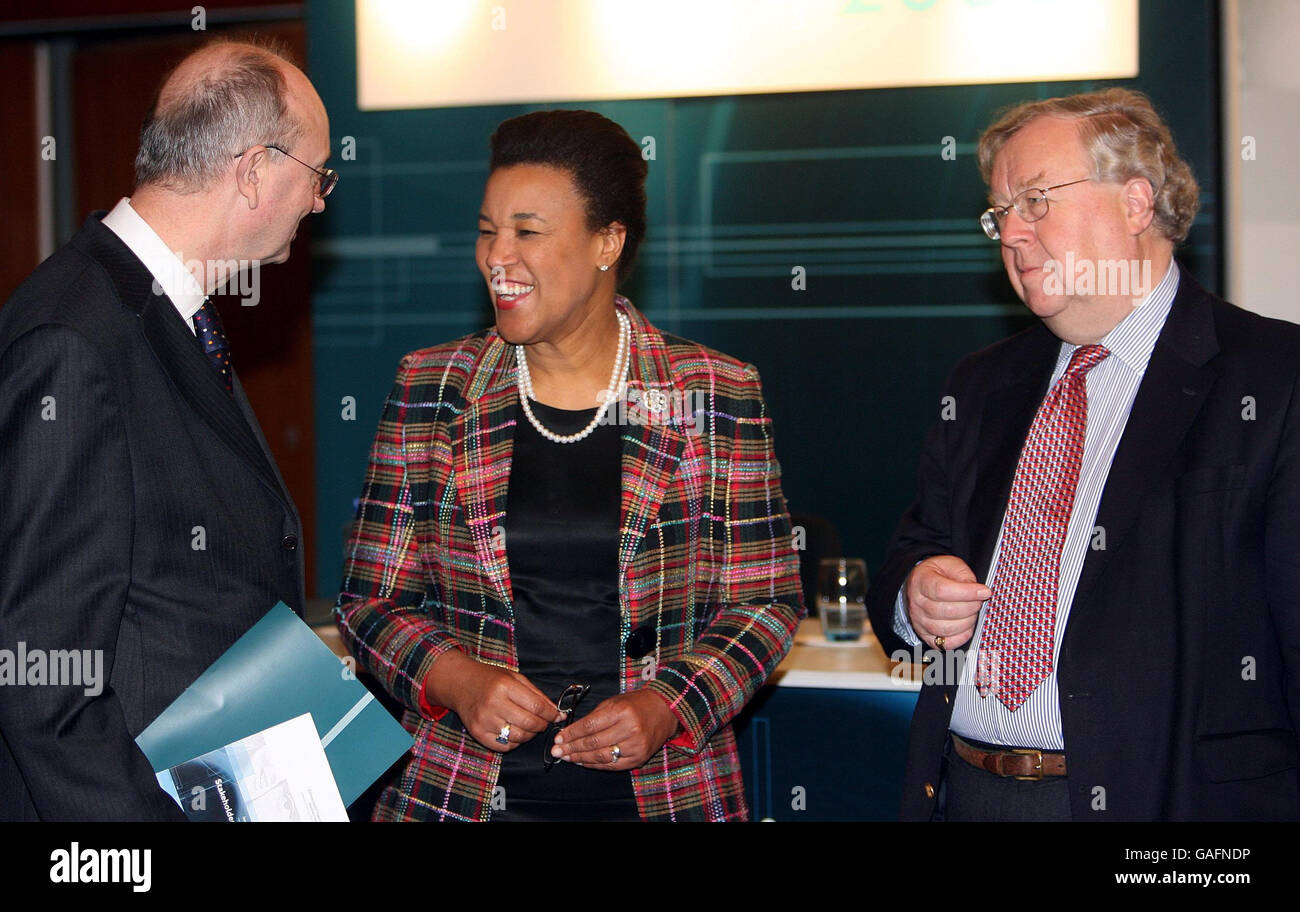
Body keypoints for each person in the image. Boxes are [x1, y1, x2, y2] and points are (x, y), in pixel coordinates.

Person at [335, 109, 803, 822]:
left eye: (527, 231)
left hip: (663, 795)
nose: (498, 256)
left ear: (607, 242)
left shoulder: (714, 391)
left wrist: (666, 705)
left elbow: (765, 607)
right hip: (462, 794)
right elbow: (369, 602)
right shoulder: (432, 387)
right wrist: (457, 679)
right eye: (488, 230)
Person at [866, 88, 1300, 821]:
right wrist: (917, 594)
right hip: (965, 792)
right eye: (999, 212)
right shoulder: (980, 386)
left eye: (1036, 201)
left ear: (1136, 204)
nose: (1010, 234)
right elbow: (919, 549)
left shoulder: (1272, 376)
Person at [0, 40, 333, 820]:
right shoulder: (76, 341)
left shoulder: (163, 316)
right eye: (317, 177)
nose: (319, 203)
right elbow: (42, 679)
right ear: (254, 170)